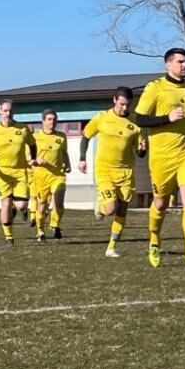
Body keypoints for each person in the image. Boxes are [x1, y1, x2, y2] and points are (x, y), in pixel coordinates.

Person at [134, 48, 185, 268]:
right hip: (162, 157)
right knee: (161, 203)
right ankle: (154, 239)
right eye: (180, 62)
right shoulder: (155, 88)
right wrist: (167, 118)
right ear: (168, 65)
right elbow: (140, 119)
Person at [81, 86, 144, 258]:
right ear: (114, 100)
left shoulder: (134, 123)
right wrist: (82, 158)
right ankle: (100, 207)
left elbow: (139, 152)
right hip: (105, 170)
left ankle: (111, 247)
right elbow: (86, 136)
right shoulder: (102, 118)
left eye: (127, 105)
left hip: (125, 173)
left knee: (122, 210)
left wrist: (142, 149)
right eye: (122, 104)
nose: (124, 108)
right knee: (110, 209)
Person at [0, 100, 37, 247]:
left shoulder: (23, 129)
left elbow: (32, 144)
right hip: (1, 173)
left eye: (10, 111)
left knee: (22, 205)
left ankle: (20, 210)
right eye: (5, 111)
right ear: (0, 111)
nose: (8, 114)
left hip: (19, 172)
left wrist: (33, 158)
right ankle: (8, 238)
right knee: (5, 203)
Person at [31, 109, 70, 243]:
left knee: (59, 199)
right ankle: (40, 231)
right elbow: (26, 157)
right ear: (43, 121)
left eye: (54, 119)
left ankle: (55, 224)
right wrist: (36, 160)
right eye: (49, 119)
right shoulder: (35, 137)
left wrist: (68, 164)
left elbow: (64, 153)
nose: (52, 122)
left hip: (58, 175)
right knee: (41, 205)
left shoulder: (61, 137)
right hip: (41, 176)